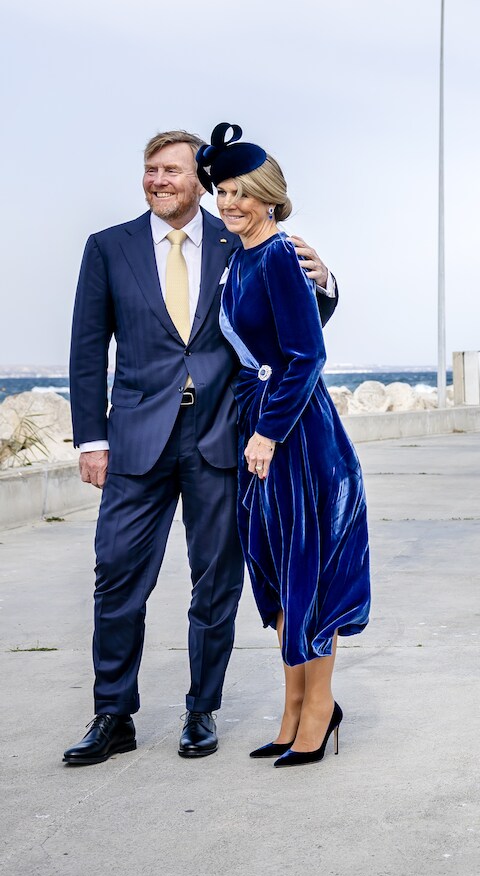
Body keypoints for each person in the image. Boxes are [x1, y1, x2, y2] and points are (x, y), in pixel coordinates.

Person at [64, 130, 339, 765]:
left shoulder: (240, 237)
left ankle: (201, 709)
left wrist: (325, 282)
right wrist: (92, 440)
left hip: (220, 435)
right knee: (117, 574)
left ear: (200, 181)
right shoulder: (108, 247)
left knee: (216, 581)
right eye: (151, 170)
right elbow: (87, 348)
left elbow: (291, 328)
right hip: (135, 440)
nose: (159, 180)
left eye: (173, 171)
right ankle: (113, 714)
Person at [200, 123, 370, 767]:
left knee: (309, 568)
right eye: (223, 192)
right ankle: (294, 706)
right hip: (263, 425)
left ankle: (318, 708)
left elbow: (306, 354)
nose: (230, 203)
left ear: (269, 197)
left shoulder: (278, 254)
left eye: (242, 192)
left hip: (295, 433)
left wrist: (268, 434)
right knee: (276, 569)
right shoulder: (242, 259)